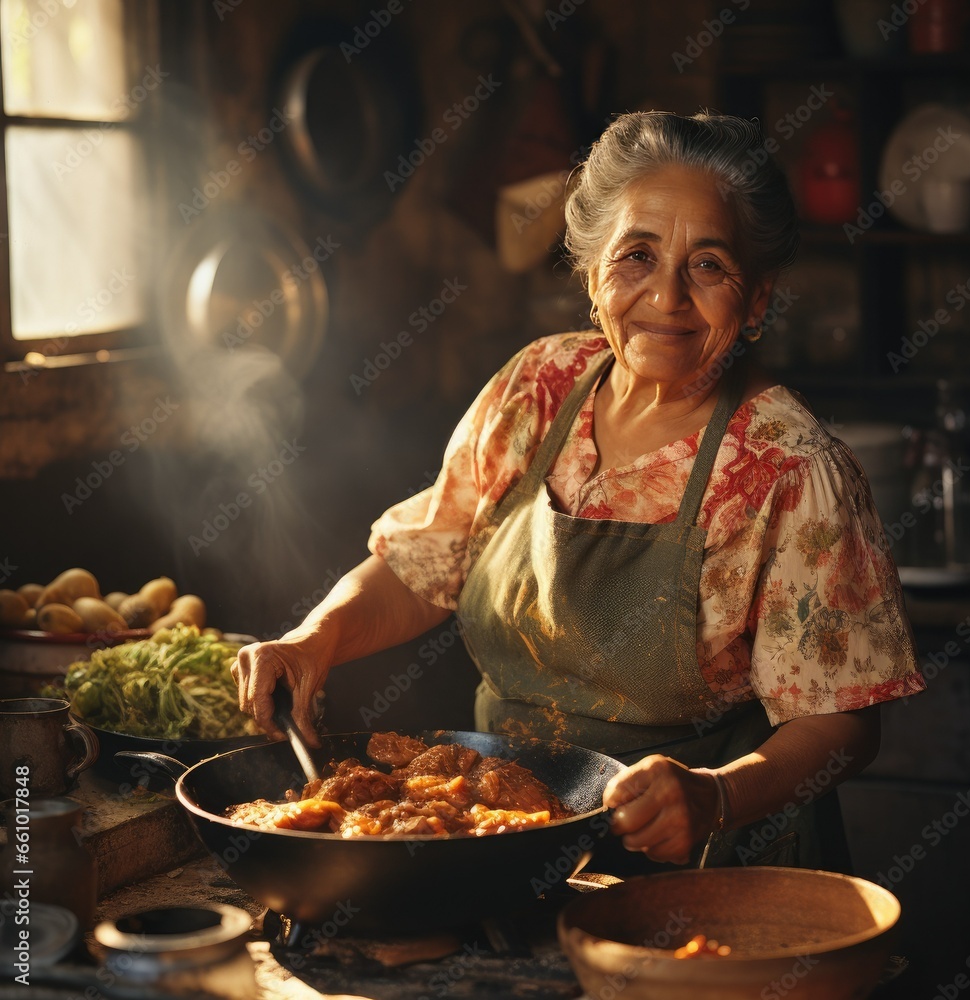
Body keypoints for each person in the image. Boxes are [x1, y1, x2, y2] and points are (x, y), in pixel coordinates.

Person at [233, 110, 925, 872]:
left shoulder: (790, 469)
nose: (666, 297)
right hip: (506, 834)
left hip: (705, 860)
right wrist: (314, 639)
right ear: (592, 270)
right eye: (637, 255)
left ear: (756, 300)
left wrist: (713, 797)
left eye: (709, 266)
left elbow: (844, 725)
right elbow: (425, 562)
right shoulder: (539, 386)